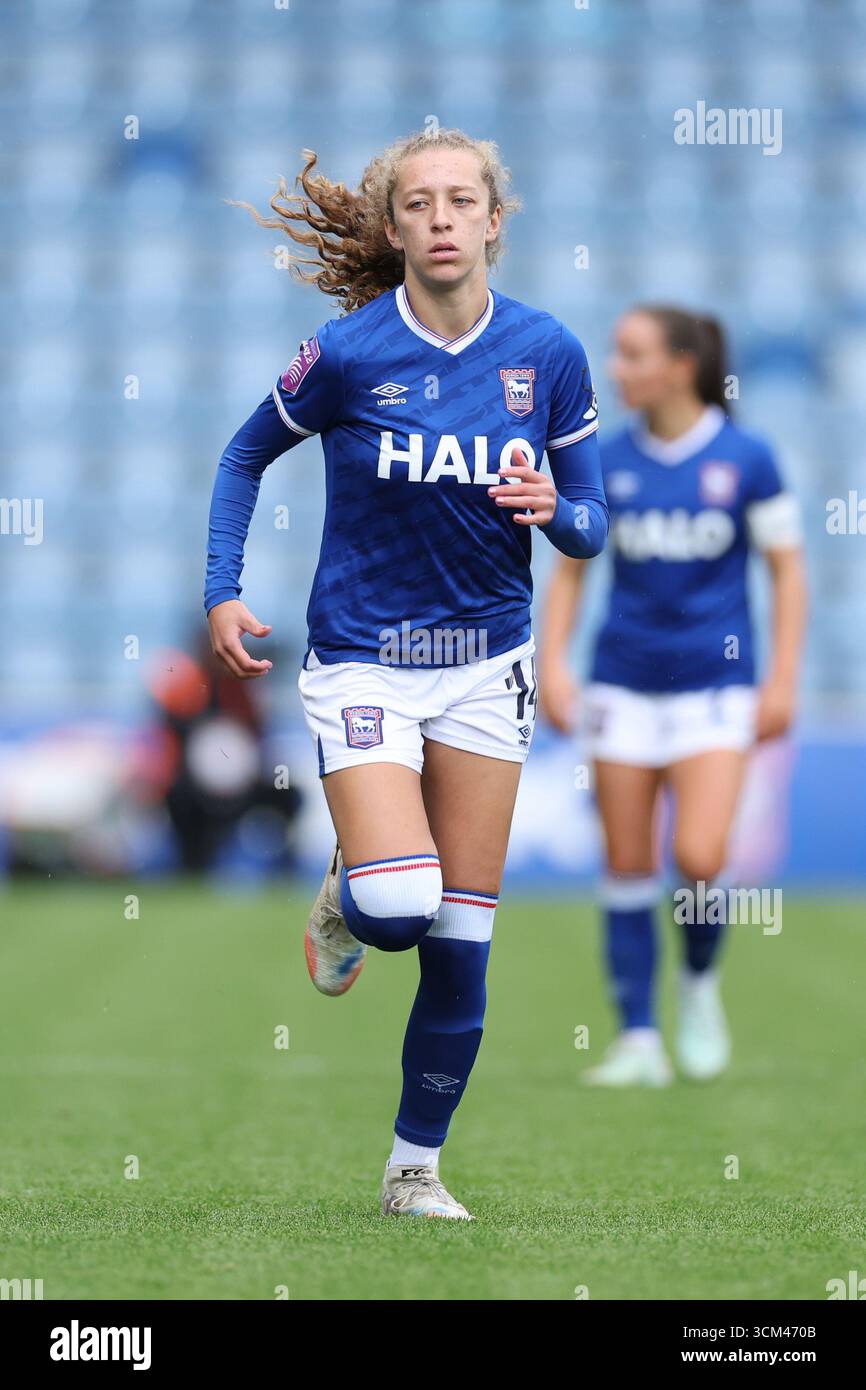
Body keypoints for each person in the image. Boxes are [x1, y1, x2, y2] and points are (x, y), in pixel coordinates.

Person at [204, 129, 608, 1218]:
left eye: (459, 199)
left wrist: (552, 513)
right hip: (365, 659)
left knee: (461, 941)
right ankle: (346, 892)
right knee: (397, 909)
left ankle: (412, 1169)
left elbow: (590, 525)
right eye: (418, 202)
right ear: (391, 228)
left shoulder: (547, 351)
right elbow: (244, 454)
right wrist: (223, 590)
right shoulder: (345, 353)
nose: (440, 217)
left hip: (487, 667)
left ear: (491, 220)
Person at [539, 305, 806, 1086]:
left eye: (631, 355)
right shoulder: (606, 461)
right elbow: (572, 571)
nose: (615, 369)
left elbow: (788, 571)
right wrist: (555, 665)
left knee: (697, 857)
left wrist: (782, 676)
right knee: (625, 864)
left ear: (682, 366)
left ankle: (696, 984)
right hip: (622, 685)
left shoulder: (748, 459)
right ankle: (638, 1040)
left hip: (715, 690)